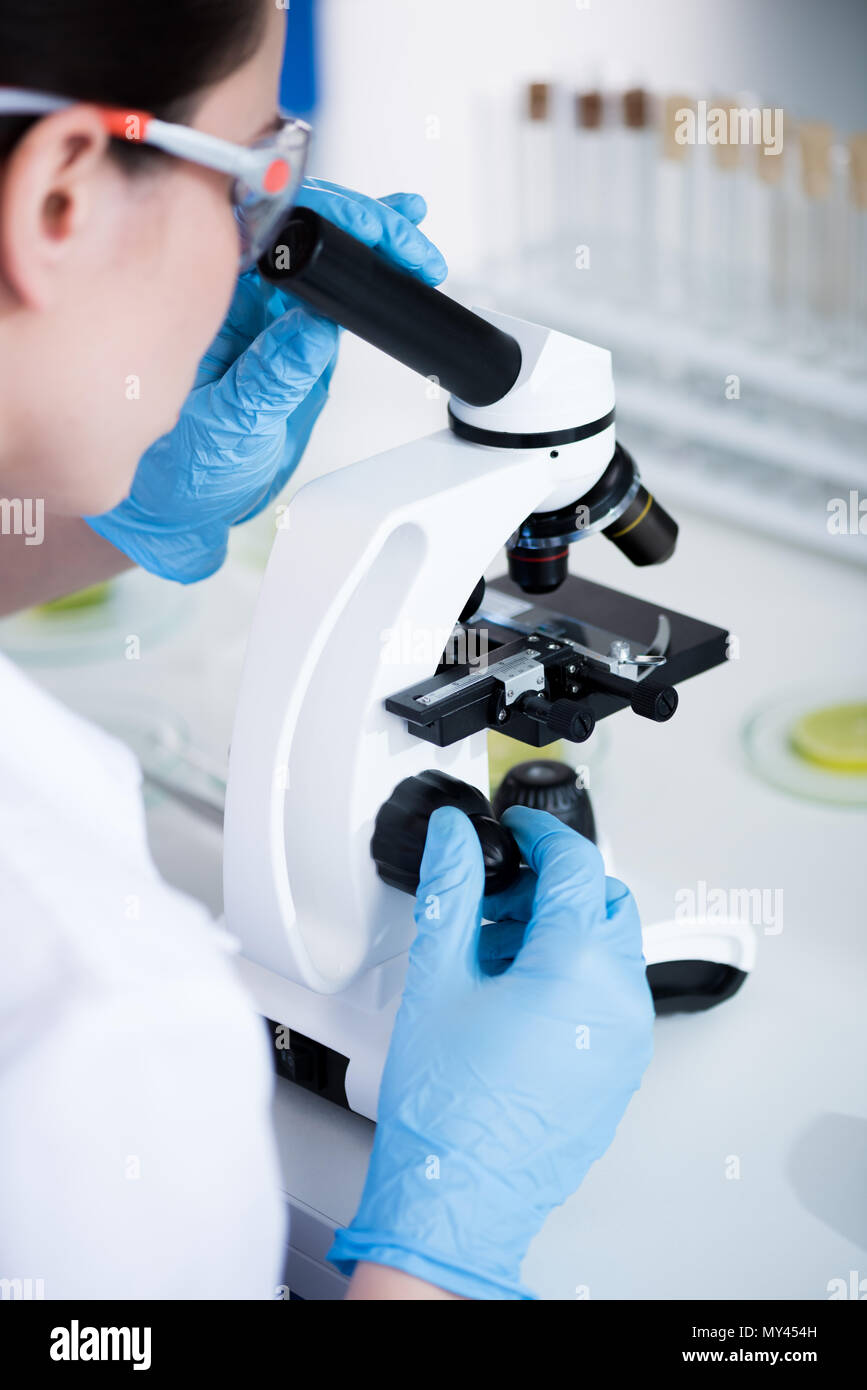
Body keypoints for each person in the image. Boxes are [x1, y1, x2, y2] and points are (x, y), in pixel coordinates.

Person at [0, 0, 654, 1301]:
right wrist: (443, 1240)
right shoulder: (92, 1023)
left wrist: (119, 518)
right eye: (251, 177)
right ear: (61, 195)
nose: (262, 239)